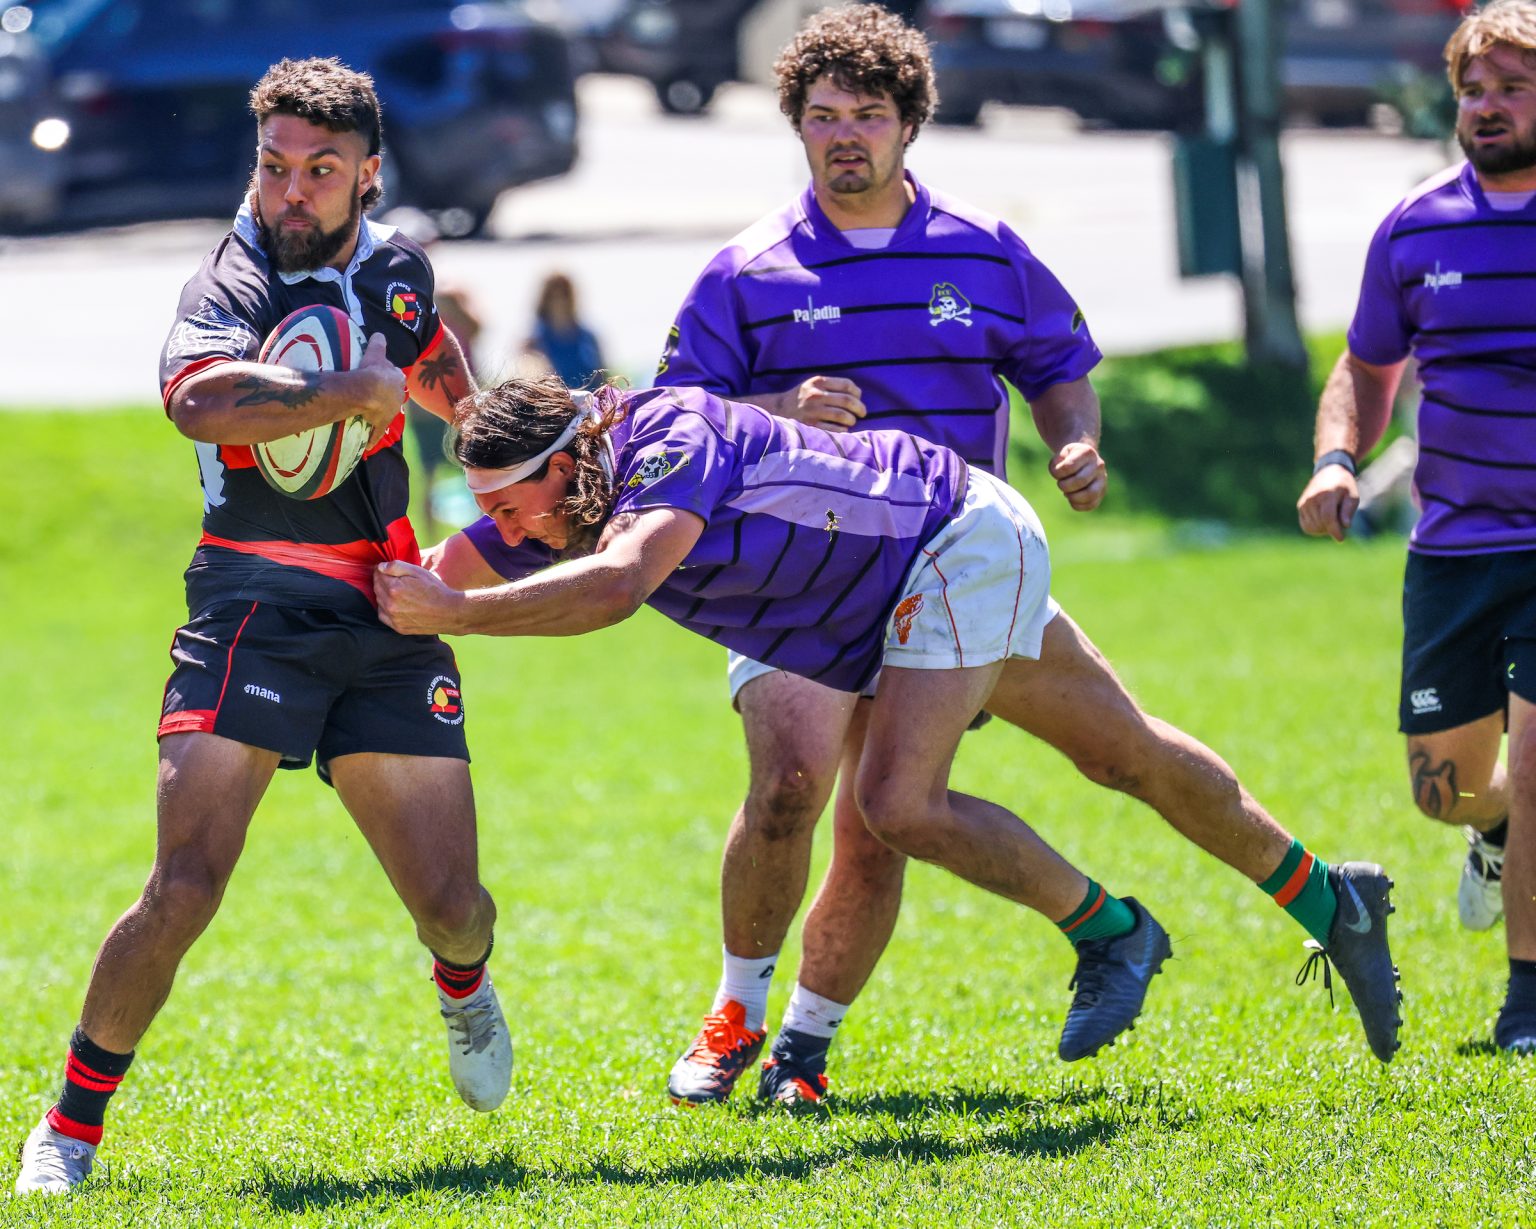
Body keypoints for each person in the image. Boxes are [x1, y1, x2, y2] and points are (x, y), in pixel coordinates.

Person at [631, 2, 1393, 1106]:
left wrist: (1075, 439)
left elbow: (1054, 363)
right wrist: (779, 402)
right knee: (796, 784)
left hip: (960, 567)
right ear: (794, 125)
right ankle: (746, 1017)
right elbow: (673, 416)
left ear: (910, 126)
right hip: (802, 580)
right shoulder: (744, 274)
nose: (846, 134)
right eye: (824, 115)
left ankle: (1332, 900)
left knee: (1113, 757)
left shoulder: (984, 251)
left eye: (871, 114)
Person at [376, 377, 1404, 1096]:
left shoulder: (665, 444)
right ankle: (1333, 896)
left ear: (567, 461)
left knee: (898, 803)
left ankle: (1112, 930)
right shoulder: (578, 479)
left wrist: (454, 616)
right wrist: (381, 595)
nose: (514, 531)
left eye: (518, 505)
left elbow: (615, 583)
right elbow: (456, 556)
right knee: (1121, 750)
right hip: (894, 582)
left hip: (953, 542)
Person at [15, 59, 510, 1197]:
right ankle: (70, 1127)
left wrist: (474, 421)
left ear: (367, 176)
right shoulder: (228, 279)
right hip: (250, 604)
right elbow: (195, 398)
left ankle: (464, 984)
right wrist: (347, 397)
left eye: (319, 171)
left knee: (456, 905)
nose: (291, 191)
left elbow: (422, 347)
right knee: (185, 880)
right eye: (275, 165)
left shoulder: (396, 266)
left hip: (386, 609)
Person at [1298, 0, 1536, 1052]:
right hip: (1453, 549)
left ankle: (1525, 1005)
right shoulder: (1419, 225)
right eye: (1473, 91)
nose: (1486, 108)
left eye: (1511, 88)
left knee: (1535, 769)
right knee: (1445, 788)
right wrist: (1337, 456)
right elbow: (1366, 365)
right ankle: (1492, 834)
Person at [523, 272, 605, 390]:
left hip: (592, 403)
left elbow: (603, 377)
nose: (559, 301)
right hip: (554, 406)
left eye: (564, 294)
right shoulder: (533, 341)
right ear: (544, 299)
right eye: (553, 296)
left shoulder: (588, 337)